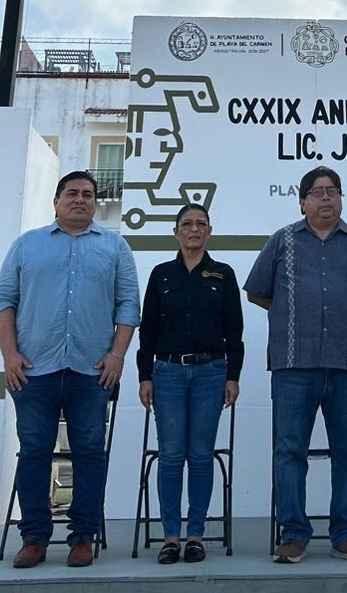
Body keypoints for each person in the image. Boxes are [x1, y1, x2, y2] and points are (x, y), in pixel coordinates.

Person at [244, 165, 347, 564]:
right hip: (294, 366)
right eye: (317, 191)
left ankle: (346, 533)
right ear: (303, 201)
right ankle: (293, 534)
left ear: (341, 198)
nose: (326, 198)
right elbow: (258, 292)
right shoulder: (282, 241)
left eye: (332, 191)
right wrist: (293, 314)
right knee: (289, 451)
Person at [0, 170, 140, 570]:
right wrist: (9, 354)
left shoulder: (115, 247)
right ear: (56, 202)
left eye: (88, 195)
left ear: (96, 203)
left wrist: (117, 355)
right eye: (72, 194)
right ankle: (35, 538)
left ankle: (82, 538)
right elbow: (3, 301)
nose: (80, 200)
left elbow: (128, 306)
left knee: (90, 453)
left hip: (92, 372)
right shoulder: (27, 245)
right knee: (35, 452)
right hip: (33, 370)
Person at [137, 203, 244, 565]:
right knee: (170, 457)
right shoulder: (161, 274)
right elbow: (147, 329)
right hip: (167, 374)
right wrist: (144, 376)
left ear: (209, 231)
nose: (194, 229)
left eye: (201, 224)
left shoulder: (223, 274)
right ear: (176, 232)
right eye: (187, 224)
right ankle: (170, 536)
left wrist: (233, 376)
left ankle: (195, 534)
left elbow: (235, 332)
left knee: (200, 456)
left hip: (211, 373)